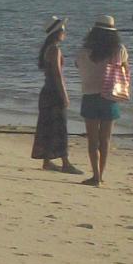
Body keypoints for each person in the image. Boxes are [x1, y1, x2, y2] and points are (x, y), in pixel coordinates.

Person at [76, 14, 129, 186]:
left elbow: (78, 66)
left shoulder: (84, 51)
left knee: (92, 140)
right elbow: (125, 68)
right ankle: (101, 176)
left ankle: (95, 175)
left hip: (90, 96)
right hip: (109, 97)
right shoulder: (118, 50)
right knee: (105, 140)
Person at [31, 16, 80, 173]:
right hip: (53, 92)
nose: (65, 33)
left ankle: (48, 161)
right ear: (57, 32)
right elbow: (58, 74)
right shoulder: (55, 49)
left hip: (47, 91)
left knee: (48, 126)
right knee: (59, 126)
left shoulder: (47, 49)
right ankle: (65, 162)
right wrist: (64, 94)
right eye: (63, 30)